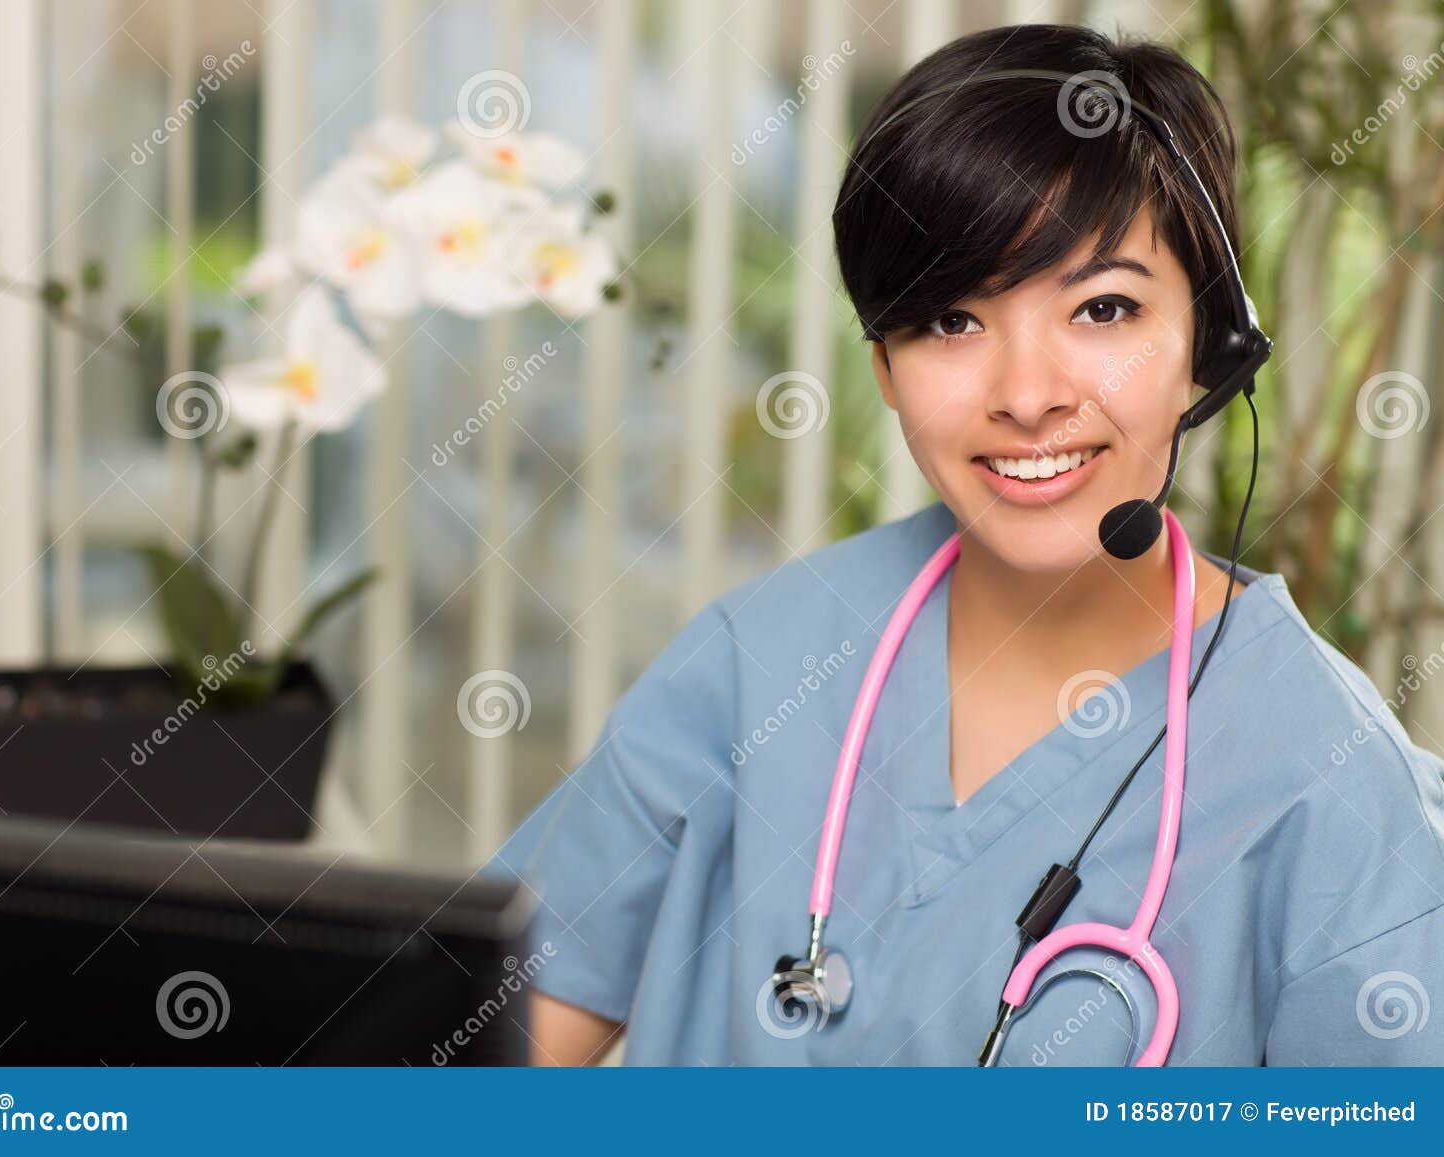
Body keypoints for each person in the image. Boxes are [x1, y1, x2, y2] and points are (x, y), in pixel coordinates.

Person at [480, 23, 1444, 1066]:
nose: (1026, 396)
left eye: (1103, 308)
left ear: (1206, 352)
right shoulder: (762, 658)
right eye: (949, 320)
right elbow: (471, 1058)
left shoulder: (1333, 786)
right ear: (884, 366)